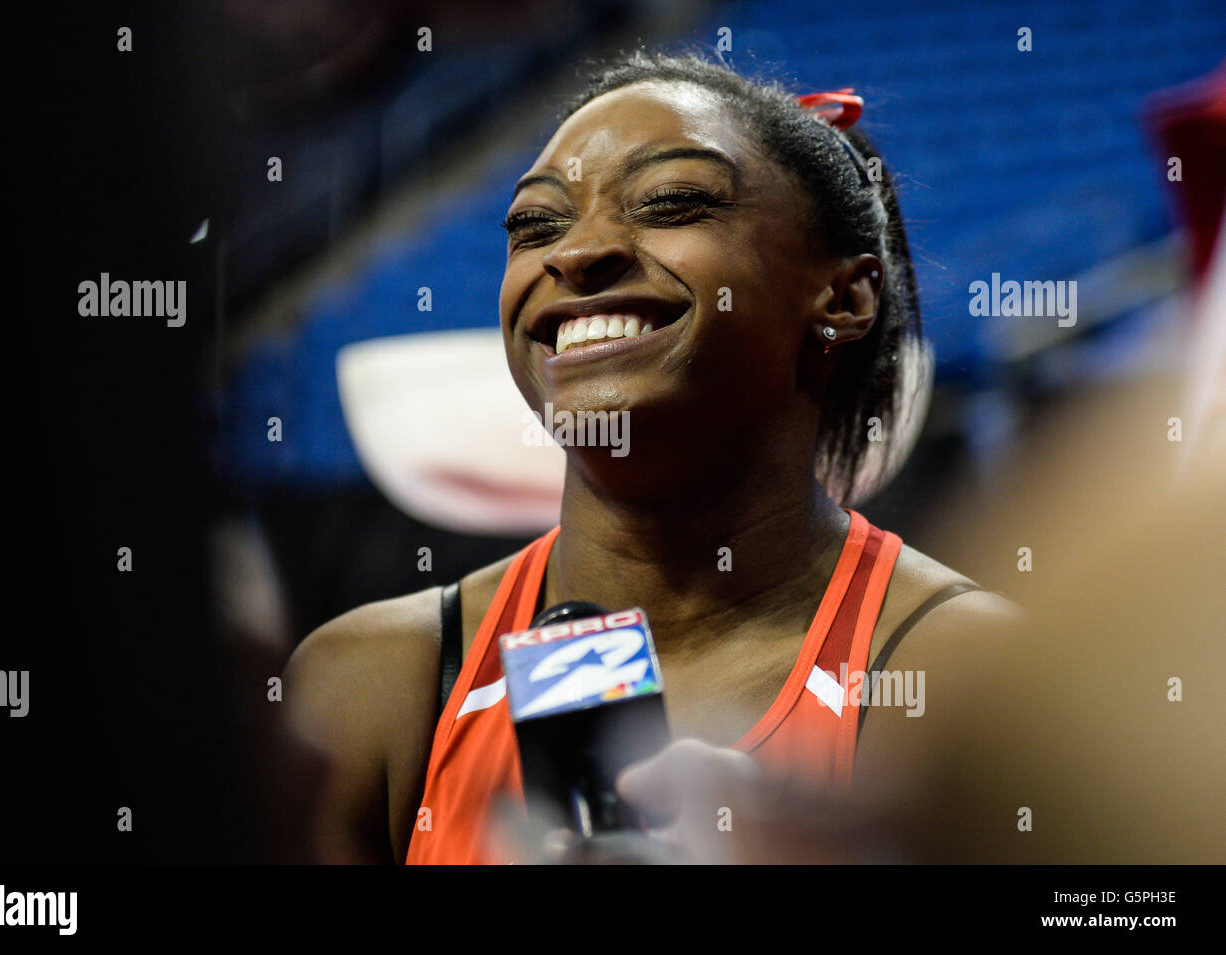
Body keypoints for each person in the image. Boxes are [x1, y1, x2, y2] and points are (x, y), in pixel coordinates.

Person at [283, 51, 1020, 865]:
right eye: (536, 224)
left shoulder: (977, 679)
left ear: (842, 298)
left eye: (670, 203)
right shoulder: (372, 684)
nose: (576, 253)